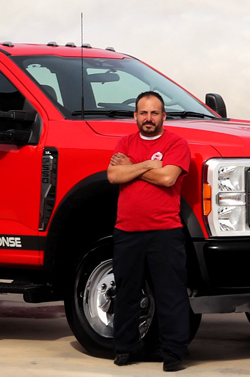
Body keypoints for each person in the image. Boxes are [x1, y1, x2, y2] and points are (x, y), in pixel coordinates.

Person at [106, 91, 192, 371]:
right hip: (127, 231)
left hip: (164, 232)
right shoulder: (125, 142)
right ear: (135, 116)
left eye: (154, 113)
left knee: (171, 294)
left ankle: (174, 354)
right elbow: (113, 175)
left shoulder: (177, 143)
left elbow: (168, 178)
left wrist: (131, 167)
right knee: (126, 292)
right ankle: (124, 349)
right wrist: (145, 165)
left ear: (164, 116)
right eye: (143, 113)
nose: (148, 118)